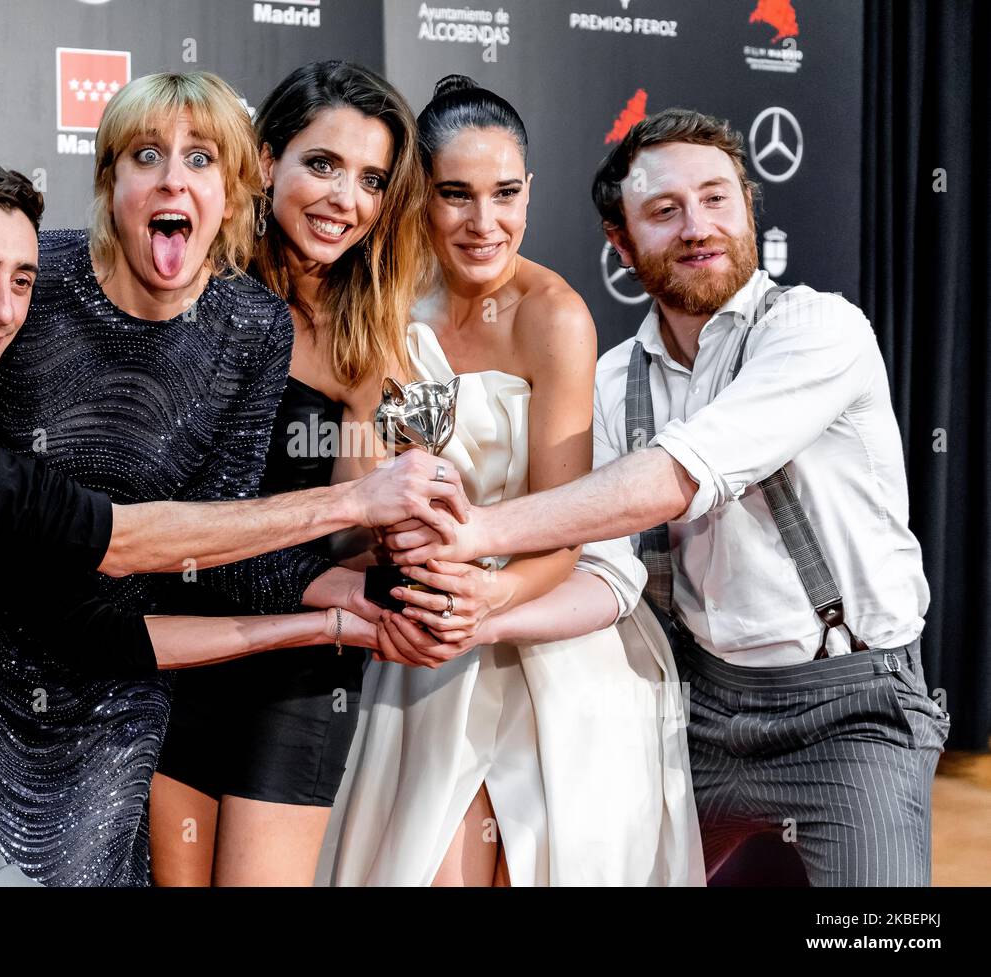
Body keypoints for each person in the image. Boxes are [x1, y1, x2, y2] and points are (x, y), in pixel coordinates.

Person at [0, 73, 466, 886]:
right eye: (148, 155)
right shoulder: (37, 278)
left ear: (234, 185)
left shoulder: (250, 327)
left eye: (202, 159)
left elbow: (217, 543)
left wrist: (334, 595)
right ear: (112, 183)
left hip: (119, 682)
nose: (175, 178)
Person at [385, 108, 949, 886]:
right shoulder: (614, 379)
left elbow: (678, 476)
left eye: (717, 199)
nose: (697, 227)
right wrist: (480, 612)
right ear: (621, 243)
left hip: (848, 716)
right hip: (698, 711)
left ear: (749, 209)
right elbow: (607, 573)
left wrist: (477, 529)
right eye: (664, 211)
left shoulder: (821, 330)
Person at [315, 76, 704, 887]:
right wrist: (394, 552)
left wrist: (479, 602)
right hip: (422, 638)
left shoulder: (553, 315)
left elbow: (562, 536)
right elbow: (346, 519)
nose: (482, 222)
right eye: (454, 195)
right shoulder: (383, 311)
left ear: (529, 193)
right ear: (420, 198)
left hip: (547, 633)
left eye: (503, 194)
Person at [150, 60, 435, 887]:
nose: (346, 198)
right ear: (266, 161)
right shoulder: (188, 286)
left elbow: (355, 540)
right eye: (324, 164)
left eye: (372, 179)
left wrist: (418, 528)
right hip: (179, 645)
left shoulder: (370, 339)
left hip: (307, 663)